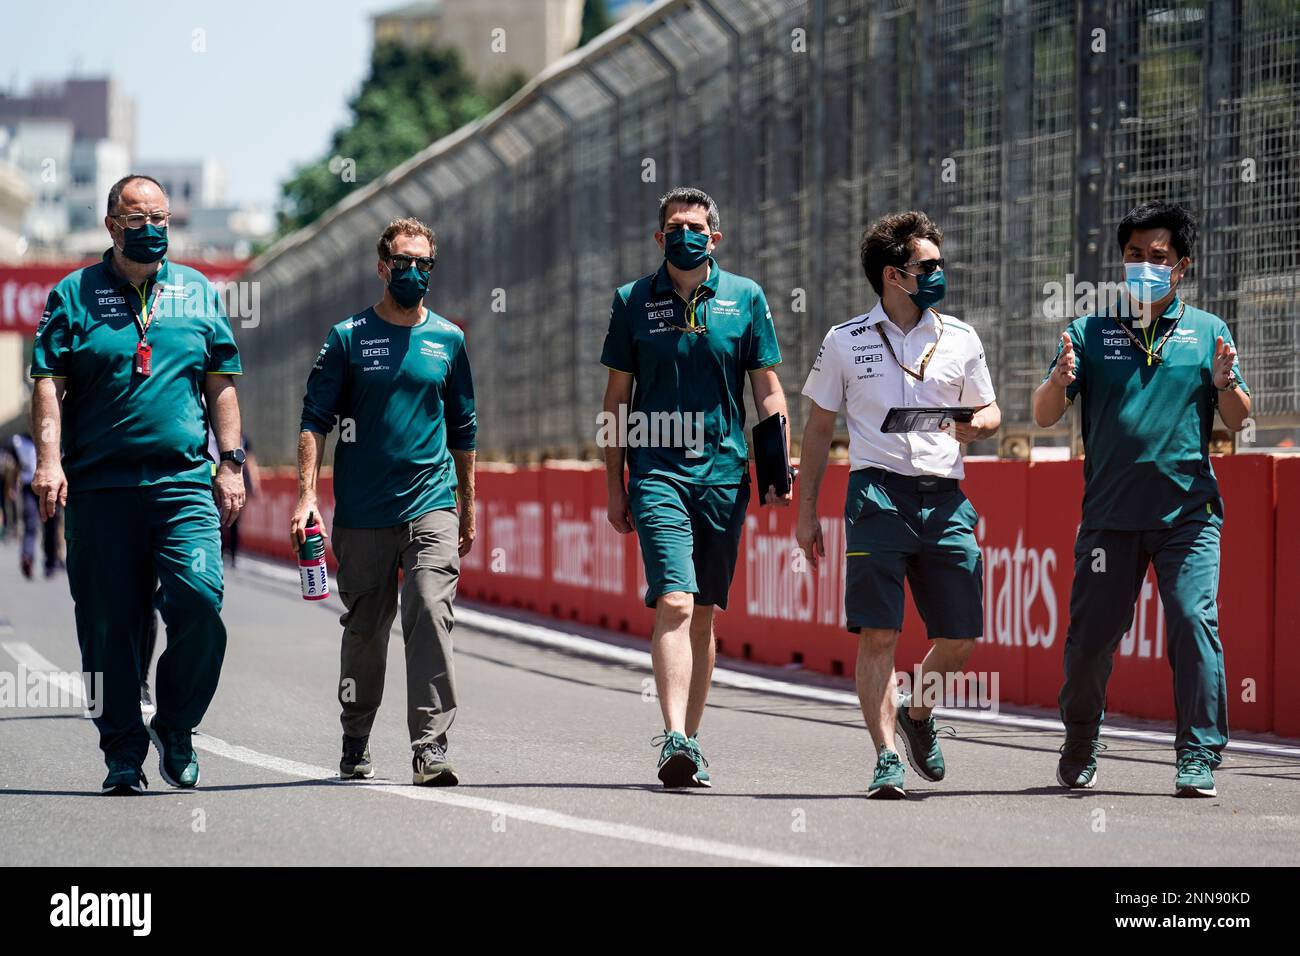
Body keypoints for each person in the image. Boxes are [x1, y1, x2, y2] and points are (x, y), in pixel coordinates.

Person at [29, 174, 246, 795]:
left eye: (160, 218)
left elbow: (222, 382)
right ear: (110, 226)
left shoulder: (198, 292)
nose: (151, 228)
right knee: (108, 625)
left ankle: (175, 725)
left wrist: (230, 462)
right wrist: (50, 460)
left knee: (200, 602)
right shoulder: (73, 295)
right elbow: (48, 384)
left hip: (182, 484)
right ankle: (122, 752)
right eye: (136, 218)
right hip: (100, 491)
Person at [1033, 200, 1250, 798]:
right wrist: (1056, 380)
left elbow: (1238, 419)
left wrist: (1226, 381)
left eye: (1158, 257)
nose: (1144, 266)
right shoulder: (1089, 331)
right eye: (1133, 257)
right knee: (1092, 636)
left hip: (1189, 515)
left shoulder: (1210, 332)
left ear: (1182, 266)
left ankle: (1199, 753)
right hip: (1109, 519)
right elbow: (1044, 416)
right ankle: (1080, 739)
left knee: (1191, 620)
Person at [796, 211, 1000, 799]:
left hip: (945, 497)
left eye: (939, 264)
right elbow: (816, 431)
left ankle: (917, 713)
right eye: (927, 266)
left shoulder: (961, 337)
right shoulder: (844, 340)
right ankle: (885, 755)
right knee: (879, 633)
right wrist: (806, 513)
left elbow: (988, 412)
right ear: (894, 275)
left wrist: (978, 428)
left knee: (961, 635)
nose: (939, 273)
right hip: (876, 493)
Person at [601, 187, 790, 788]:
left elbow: (767, 389)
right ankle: (674, 737)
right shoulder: (631, 301)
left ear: (716, 236)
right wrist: (615, 484)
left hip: (725, 475)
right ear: (660, 239)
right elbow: (616, 401)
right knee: (676, 601)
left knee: (705, 613)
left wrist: (778, 466)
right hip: (656, 471)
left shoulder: (746, 298)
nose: (686, 234)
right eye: (675, 227)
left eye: (696, 226)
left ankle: (693, 740)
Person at [293, 217, 476, 787]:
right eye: (404, 263)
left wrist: (467, 507)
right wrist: (306, 497)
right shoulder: (348, 336)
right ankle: (356, 735)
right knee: (367, 629)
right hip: (364, 512)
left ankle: (430, 747)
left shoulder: (449, 339)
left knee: (429, 611)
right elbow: (314, 421)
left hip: (432, 502)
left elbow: (463, 429)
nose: (414, 273)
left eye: (424, 264)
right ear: (382, 268)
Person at [10, 431, 61, 578]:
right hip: (29, 486)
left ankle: (50, 562)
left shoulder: (53, 435)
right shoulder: (18, 441)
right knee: (30, 522)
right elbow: (14, 466)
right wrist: (12, 486)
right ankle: (27, 556)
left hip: (50, 485)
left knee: (51, 524)